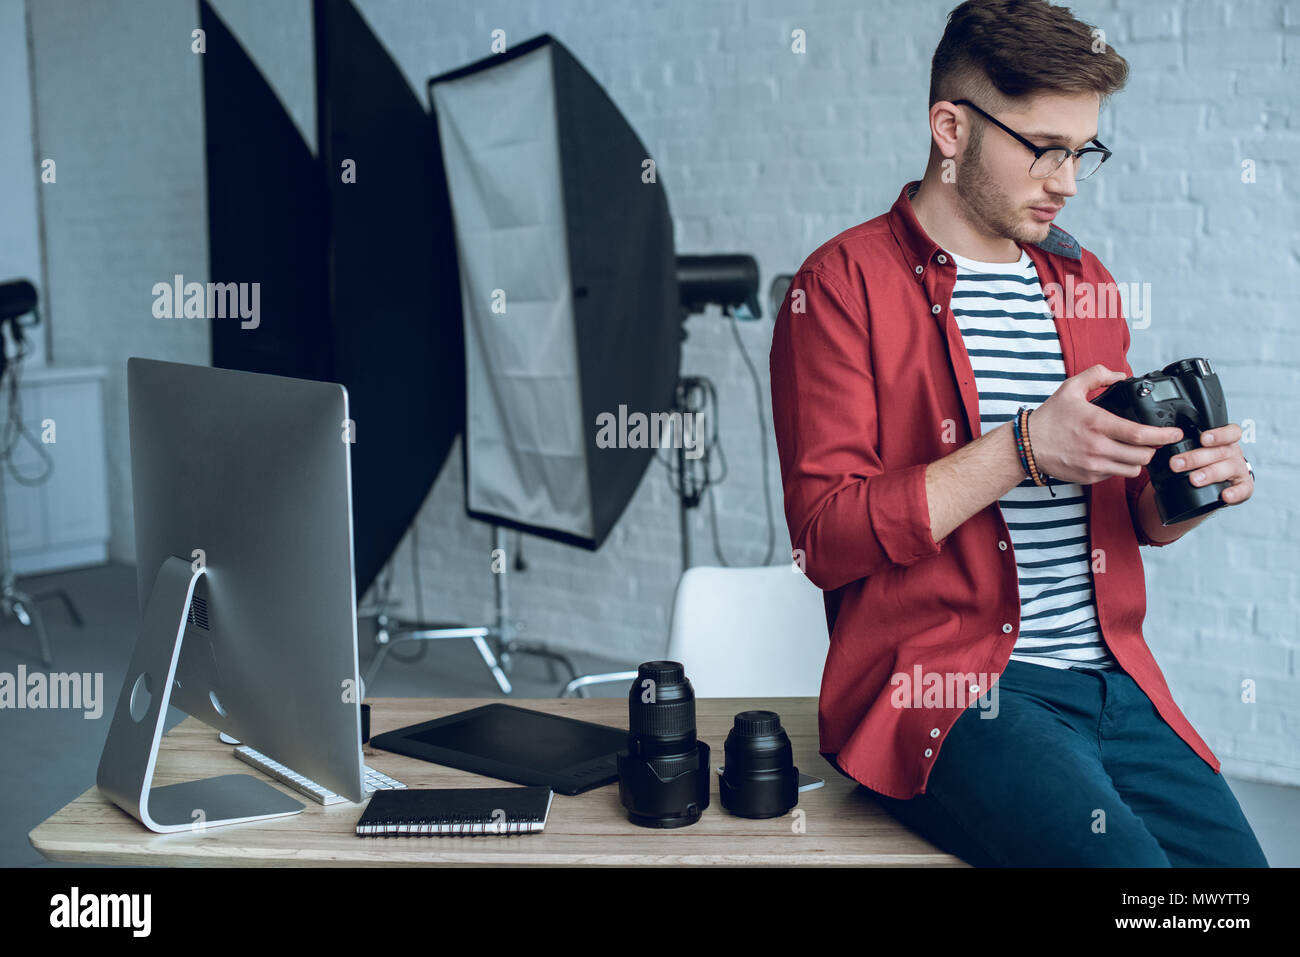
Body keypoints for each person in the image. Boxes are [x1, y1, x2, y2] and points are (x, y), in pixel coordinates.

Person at [768, 0, 1266, 867]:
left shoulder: (1087, 283)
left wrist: (1185, 492)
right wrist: (1022, 449)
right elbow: (825, 540)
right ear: (950, 127)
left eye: (1083, 152)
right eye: (1044, 148)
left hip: (1115, 680)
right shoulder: (840, 286)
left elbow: (1124, 515)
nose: (1067, 180)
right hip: (957, 689)